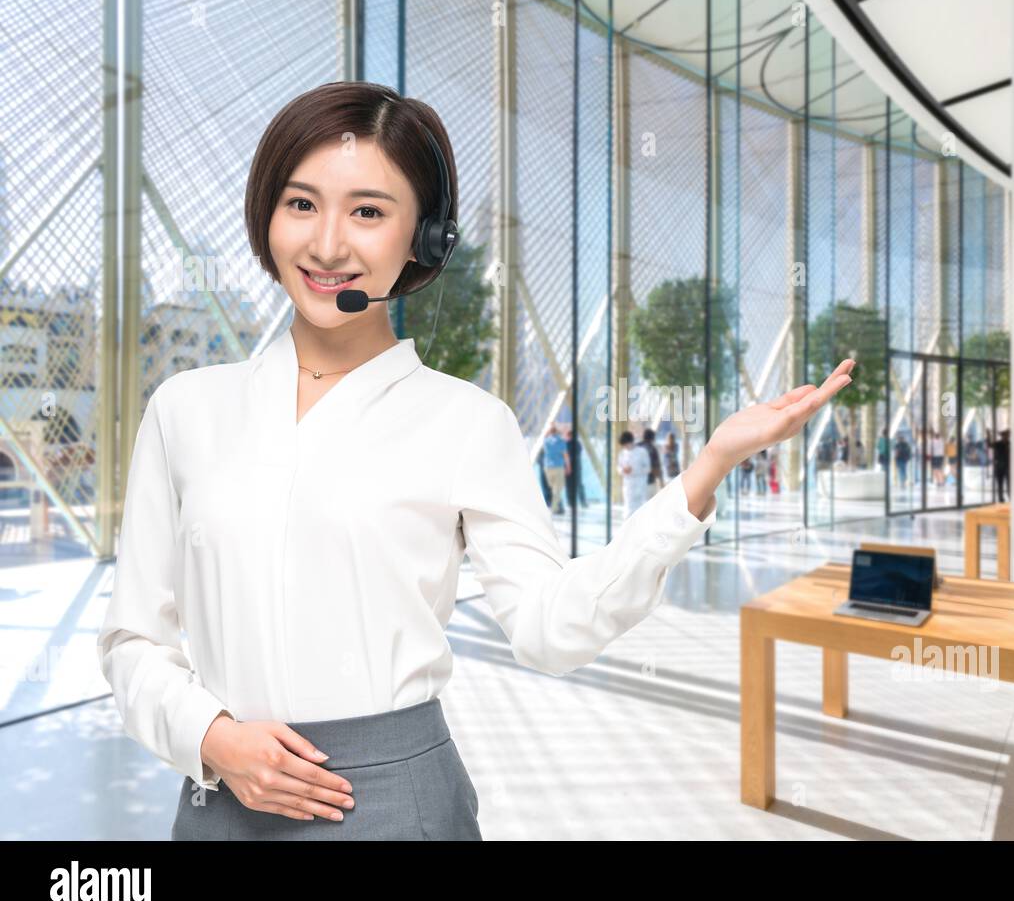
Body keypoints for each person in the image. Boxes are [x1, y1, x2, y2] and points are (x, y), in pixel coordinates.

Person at [94, 77, 860, 842]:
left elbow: (548, 627)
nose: (327, 244)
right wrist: (212, 737)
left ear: (425, 239)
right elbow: (133, 641)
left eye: (367, 211)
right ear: (267, 217)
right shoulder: (185, 411)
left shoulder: (465, 423)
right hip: (219, 800)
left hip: (394, 802)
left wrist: (708, 467)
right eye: (301, 204)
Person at [618, 430, 651, 518]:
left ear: (630, 442)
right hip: (627, 484)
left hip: (640, 483)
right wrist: (623, 470)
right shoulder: (622, 453)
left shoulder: (642, 452)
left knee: (640, 509)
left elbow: (647, 468)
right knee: (628, 508)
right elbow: (619, 467)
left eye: (625, 444)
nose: (625, 447)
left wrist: (634, 470)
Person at [542, 422, 568, 515]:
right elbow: (565, 455)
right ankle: (553, 509)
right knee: (558, 489)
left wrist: (550, 428)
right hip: (558, 467)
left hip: (547, 467)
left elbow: (544, 436)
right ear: (557, 432)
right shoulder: (561, 441)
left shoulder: (546, 441)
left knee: (554, 488)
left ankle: (558, 507)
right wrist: (568, 466)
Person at [563, 423, 587, 509]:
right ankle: (582, 502)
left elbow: (567, 456)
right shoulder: (577, 444)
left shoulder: (568, 444)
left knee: (570, 486)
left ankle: (571, 503)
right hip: (576, 467)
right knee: (578, 485)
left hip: (570, 468)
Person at [640, 428, 663, 495]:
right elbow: (656, 467)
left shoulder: (636, 447)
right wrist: (661, 482)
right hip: (649, 482)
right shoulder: (652, 449)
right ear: (652, 438)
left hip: (636, 482)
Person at [992, 429, 1011, 503]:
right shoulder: (998, 444)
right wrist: (988, 435)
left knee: (1009, 483)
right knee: (1000, 483)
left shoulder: (1010, 443)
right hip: (999, 466)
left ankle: (1010, 496)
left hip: (1007, 466)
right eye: (1005, 435)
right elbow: (990, 445)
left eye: (1007, 435)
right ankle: (1001, 498)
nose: (1006, 436)